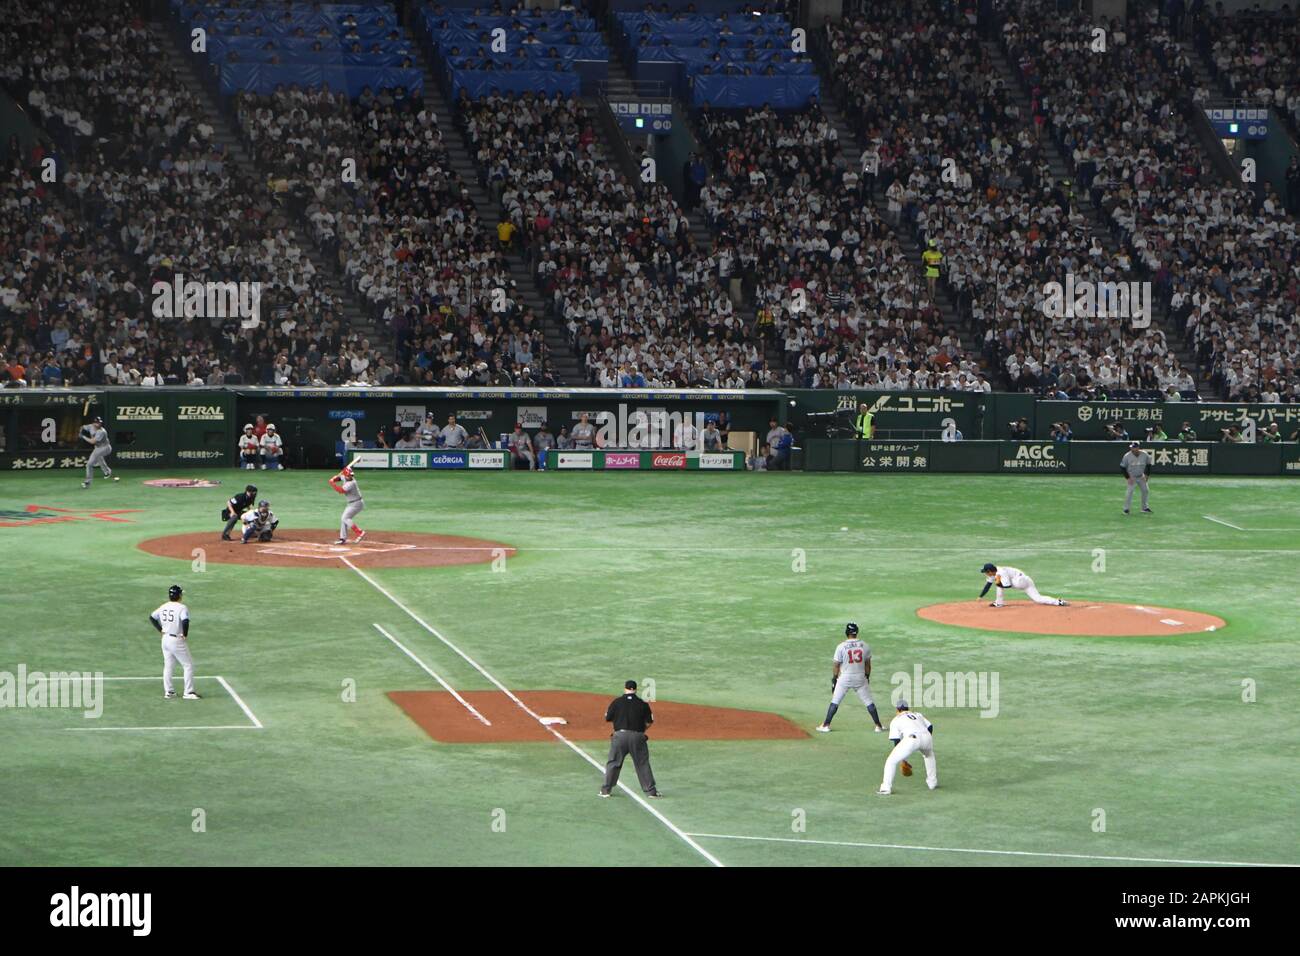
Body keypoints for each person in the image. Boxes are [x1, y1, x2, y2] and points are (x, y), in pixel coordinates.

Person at [815, 622, 884, 734]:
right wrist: (867, 677)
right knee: (868, 701)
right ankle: (878, 726)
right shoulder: (865, 645)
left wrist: (834, 679)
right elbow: (868, 665)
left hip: (845, 678)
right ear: (857, 632)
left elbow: (836, 665)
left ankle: (826, 725)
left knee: (835, 701)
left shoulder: (841, 646)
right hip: (860, 677)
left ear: (847, 632)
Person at [599, 680, 661, 798]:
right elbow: (649, 722)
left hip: (620, 736)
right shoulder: (642, 703)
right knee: (642, 764)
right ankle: (651, 792)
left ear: (625, 689)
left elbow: (608, 718)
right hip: (638, 737)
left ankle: (606, 790)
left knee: (613, 763)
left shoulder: (617, 702)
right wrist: (640, 731)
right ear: (635, 689)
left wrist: (620, 723)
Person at [876, 699, 937, 796]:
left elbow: (896, 740)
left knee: (891, 761)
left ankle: (885, 788)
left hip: (912, 739)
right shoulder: (917, 714)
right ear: (908, 708)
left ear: (897, 710)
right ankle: (932, 783)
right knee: (929, 755)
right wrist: (927, 740)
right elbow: (930, 726)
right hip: (927, 736)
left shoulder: (896, 720)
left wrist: (903, 760)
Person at [151, 584, 199, 700]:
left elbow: (152, 617)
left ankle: (169, 691)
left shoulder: (164, 606)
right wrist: (185, 634)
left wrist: (160, 630)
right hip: (176, 640)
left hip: (165, 639)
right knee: (188, 665)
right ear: (179, 596)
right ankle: (188, 692)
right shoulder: (182, 607)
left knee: (168, 666)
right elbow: (185, 621)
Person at [979, 562, 1069, 607]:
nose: (985, 573)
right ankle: (1059, 602)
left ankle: (999, 603)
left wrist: (998, 582)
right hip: (1027, 580)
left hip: (1020, 581)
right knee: (1038, 599)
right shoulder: (994, 573)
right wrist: (981, 596)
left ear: (990, 571)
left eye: (986, 572)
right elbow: (988, 585)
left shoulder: (1001, 572)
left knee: (999, 583)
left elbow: (1007, 586)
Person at [329, 465, 365, 543]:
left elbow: (340, 491)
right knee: (343, 519)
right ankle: (343, 538)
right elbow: (340, 478)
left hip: (357, 503)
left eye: (351, 475)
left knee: (345, 518)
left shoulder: (351, 483)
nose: (350, 476)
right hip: (352, 503)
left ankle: (359, 532)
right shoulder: (345, 477)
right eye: (349, 475)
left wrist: (332, 483)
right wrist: (335, 478)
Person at [79, 416, 118, 488]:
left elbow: (92, 441)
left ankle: (87, 482)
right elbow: (82, 427)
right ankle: (107, 472)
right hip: (98, 448)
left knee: (89, 464)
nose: (99, 424)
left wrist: (83, 437)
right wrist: (80, 431)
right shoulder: (90, 426)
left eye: (100, 423)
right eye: (97, 423)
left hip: (105, 448)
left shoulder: (101, 431)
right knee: (98, 458)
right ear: (93, 423)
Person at [1120, 442, 1153, 515]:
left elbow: (1149, 464)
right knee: (1129, 492)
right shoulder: (1127, 456)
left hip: (1141, 476)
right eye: (1131, 447)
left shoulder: (1144, 454)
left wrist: (1147, 475)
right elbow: (1122, 467)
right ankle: (1126, 509)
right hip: (1132, 476)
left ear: (1138, 448)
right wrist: (1128, 478)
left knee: (1146, 490)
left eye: (1134, 447)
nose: (1132, 449)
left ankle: (1144, 508)